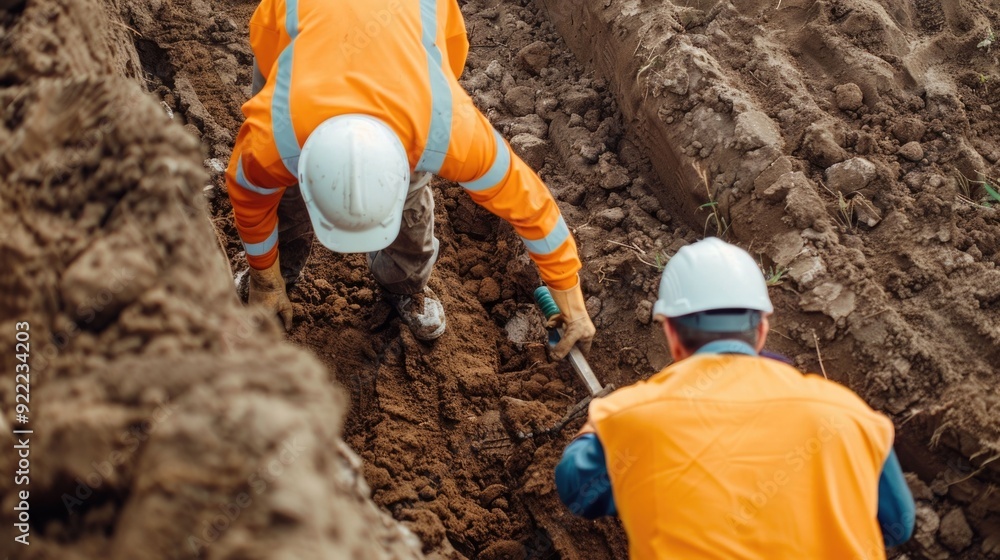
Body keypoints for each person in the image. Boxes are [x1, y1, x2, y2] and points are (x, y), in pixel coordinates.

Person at [225, 0, 594, 354]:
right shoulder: (273, 138)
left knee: (411, 205)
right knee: (281, 193)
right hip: (286, 28)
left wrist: (571, 300)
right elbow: (251, 202)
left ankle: (404, 284)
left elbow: (533, 208)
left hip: (413, 35)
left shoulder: (447, 129)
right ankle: (281, 272)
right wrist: (264, 279)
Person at [554, 238, 915, 559]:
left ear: (671, 335)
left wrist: (595, 428)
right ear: (761, 330)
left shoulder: (627, 416)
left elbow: (576, 490)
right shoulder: (850, 415)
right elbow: (898, 525)